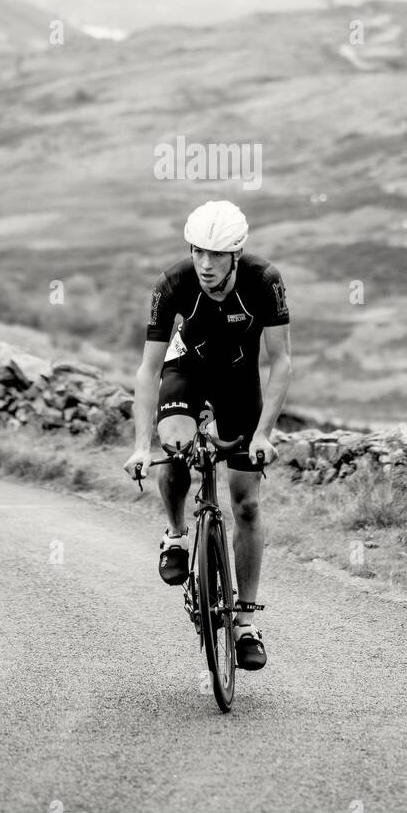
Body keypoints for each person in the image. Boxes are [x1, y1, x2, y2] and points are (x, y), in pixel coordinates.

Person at [124, 200, 292, 670]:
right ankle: (177, 535)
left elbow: (280, 362)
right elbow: (148, 369)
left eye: (217, 255)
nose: (205, 264)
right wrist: (141, 446)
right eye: (198, 251)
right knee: (175, 447)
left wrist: (263, 434)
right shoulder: (174, 282)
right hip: (186, 371)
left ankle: (244, 623)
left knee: (246, 502)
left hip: (240, 383)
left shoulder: (265, 282)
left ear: (236, 255)